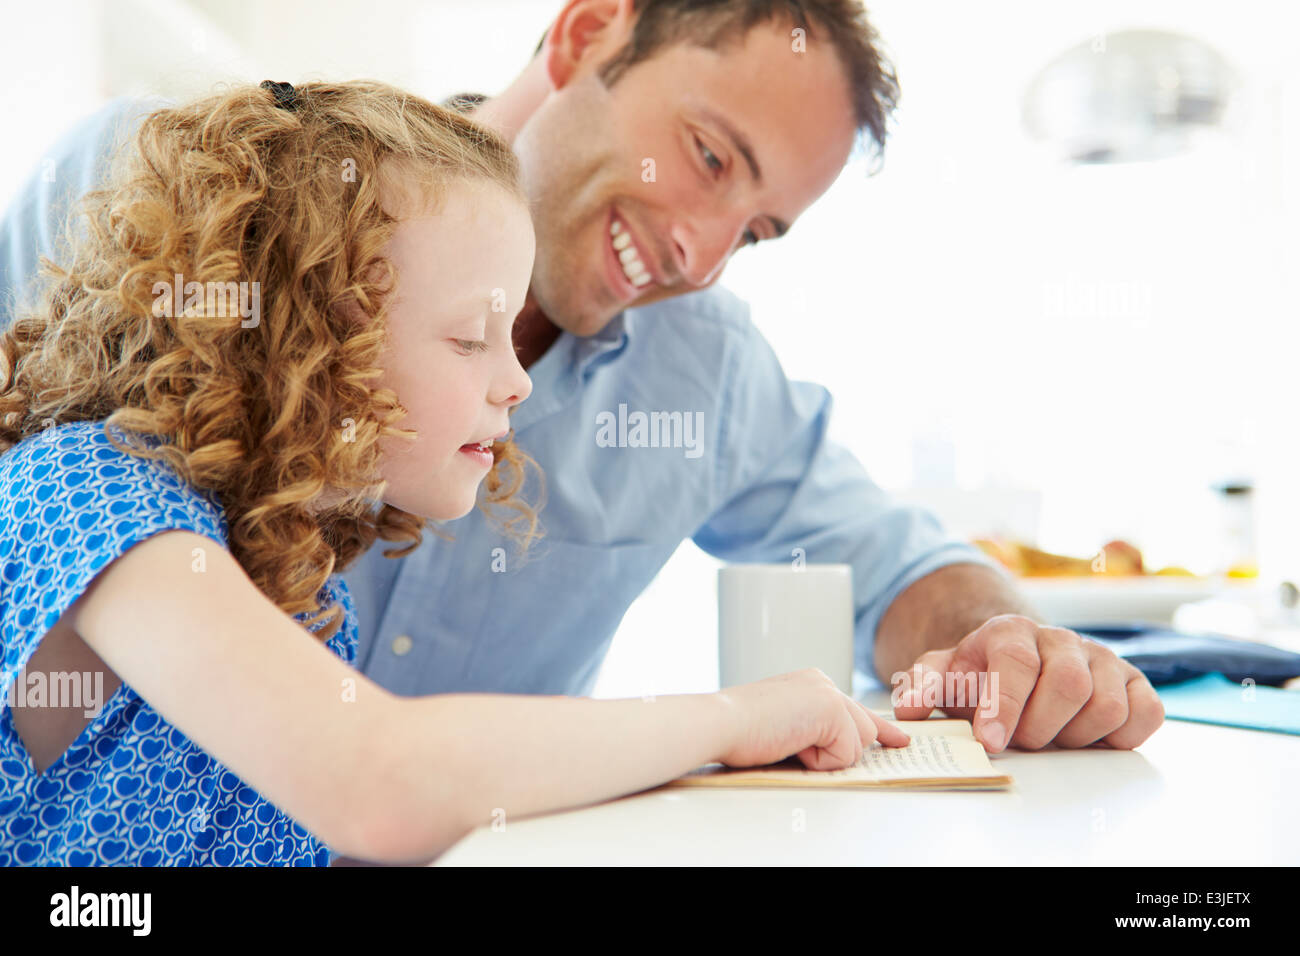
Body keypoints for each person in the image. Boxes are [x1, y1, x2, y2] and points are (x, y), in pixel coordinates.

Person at [1, 0, 1162, 794]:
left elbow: (896, 562)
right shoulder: (159, 202)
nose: (703, 253)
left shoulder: (706, 372)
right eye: (709, 157)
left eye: (755, 231)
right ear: (590, 29)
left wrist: (1006, 651)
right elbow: (373, 771)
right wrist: (726, 717)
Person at [0, 79, 904, 866]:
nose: (516, 384)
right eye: (473, 338)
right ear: (312, 339)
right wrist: (736, 719)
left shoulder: (299, 586)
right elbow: (375, 777)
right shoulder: (92, 501)